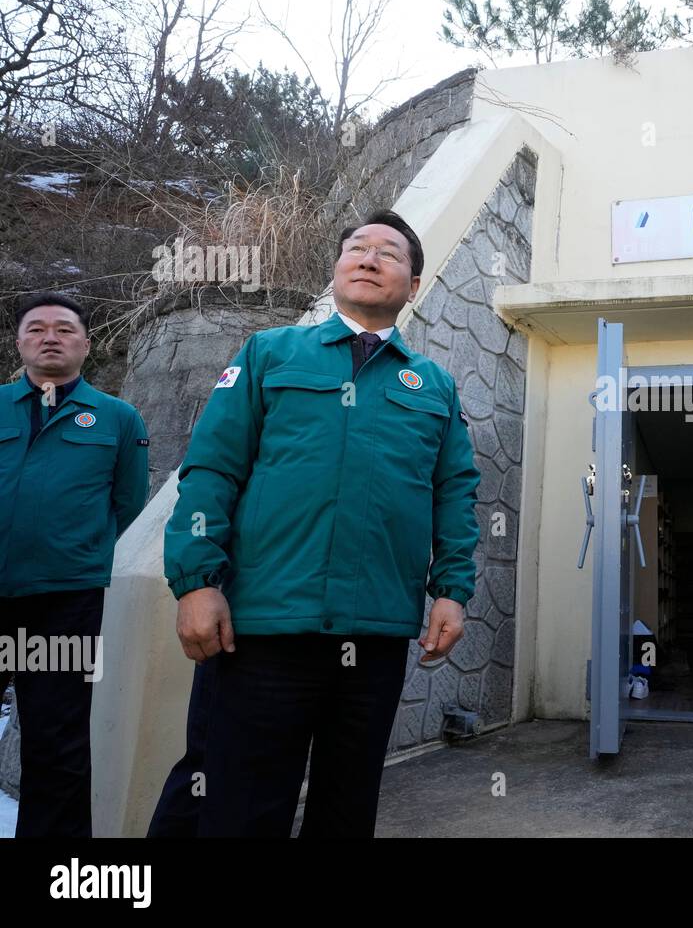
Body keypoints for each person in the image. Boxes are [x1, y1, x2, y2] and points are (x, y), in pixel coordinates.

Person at [157, 209, 480, 837]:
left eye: (389, 253)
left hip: (377, 633)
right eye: (356, 248)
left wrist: (453, 593)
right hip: (263, 628)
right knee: (239, 809)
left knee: (345, 808)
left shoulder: (434, 387)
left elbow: (454, 495)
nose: (368, 257)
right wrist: (196, 581)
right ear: (336, 269)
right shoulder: (269, 353)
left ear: (413, 285)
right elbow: (211, 472)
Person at [0, 292, 149, 836]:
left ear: (86, 344)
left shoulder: (116, 418)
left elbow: (129, 506)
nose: (50, 337)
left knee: (56, 739)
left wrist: (81, 557)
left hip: (65, 603)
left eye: (64, 329)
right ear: (19, 342)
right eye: (36, 329)